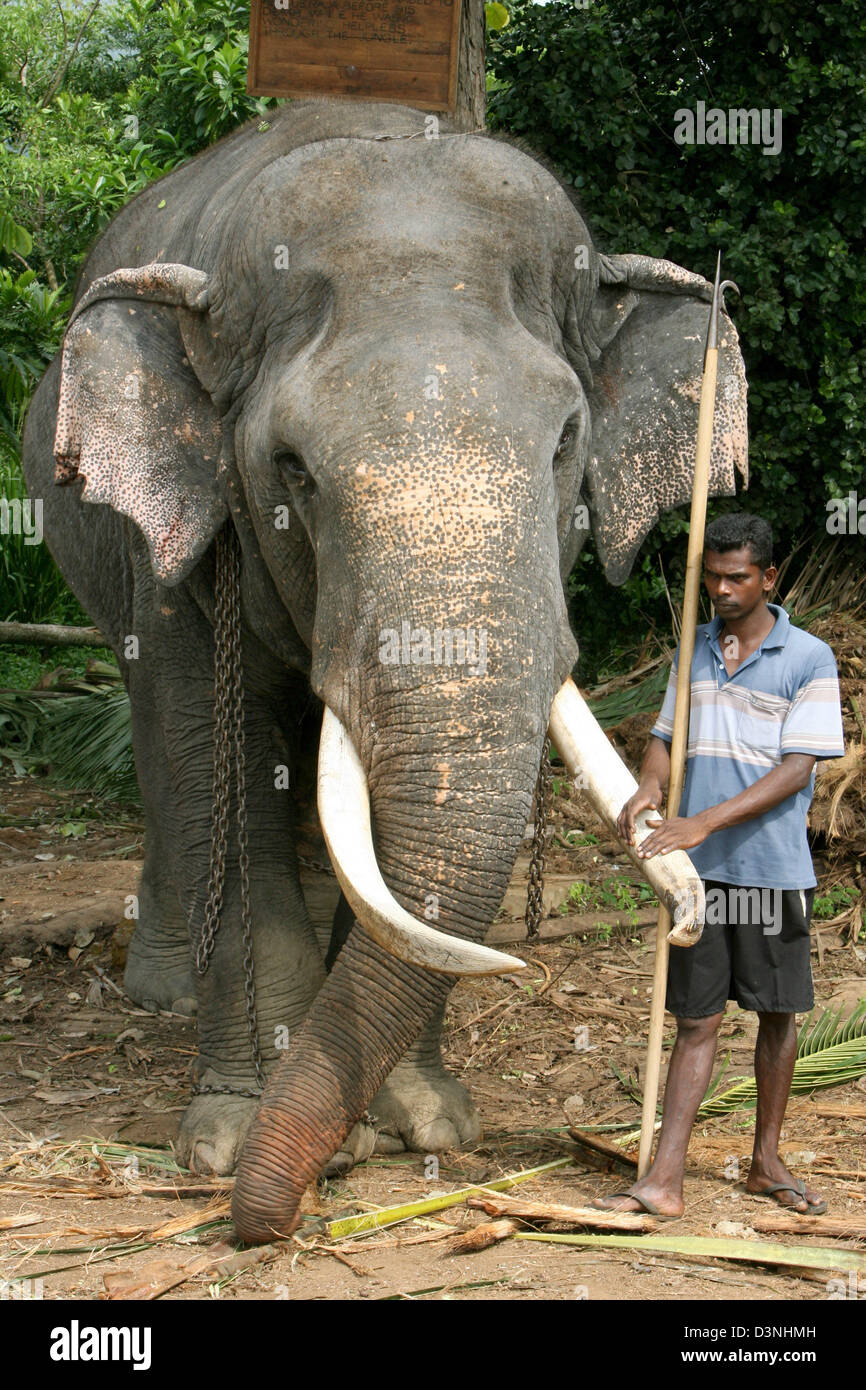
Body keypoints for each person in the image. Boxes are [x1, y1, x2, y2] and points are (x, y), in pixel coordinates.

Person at [593, 513, 844, 1218]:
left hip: (770, 872)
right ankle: (663, 1180)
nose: (724, 590)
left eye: (738, 577)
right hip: (695, 876)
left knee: (777, 1015)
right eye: (713, 577)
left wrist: (701, 819)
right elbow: (666, 740)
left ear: (769, 578)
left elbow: (797, 771)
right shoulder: (693, 647)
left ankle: (765, 1160)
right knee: (696, 1020)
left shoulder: (807, 657)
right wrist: (648, 783)